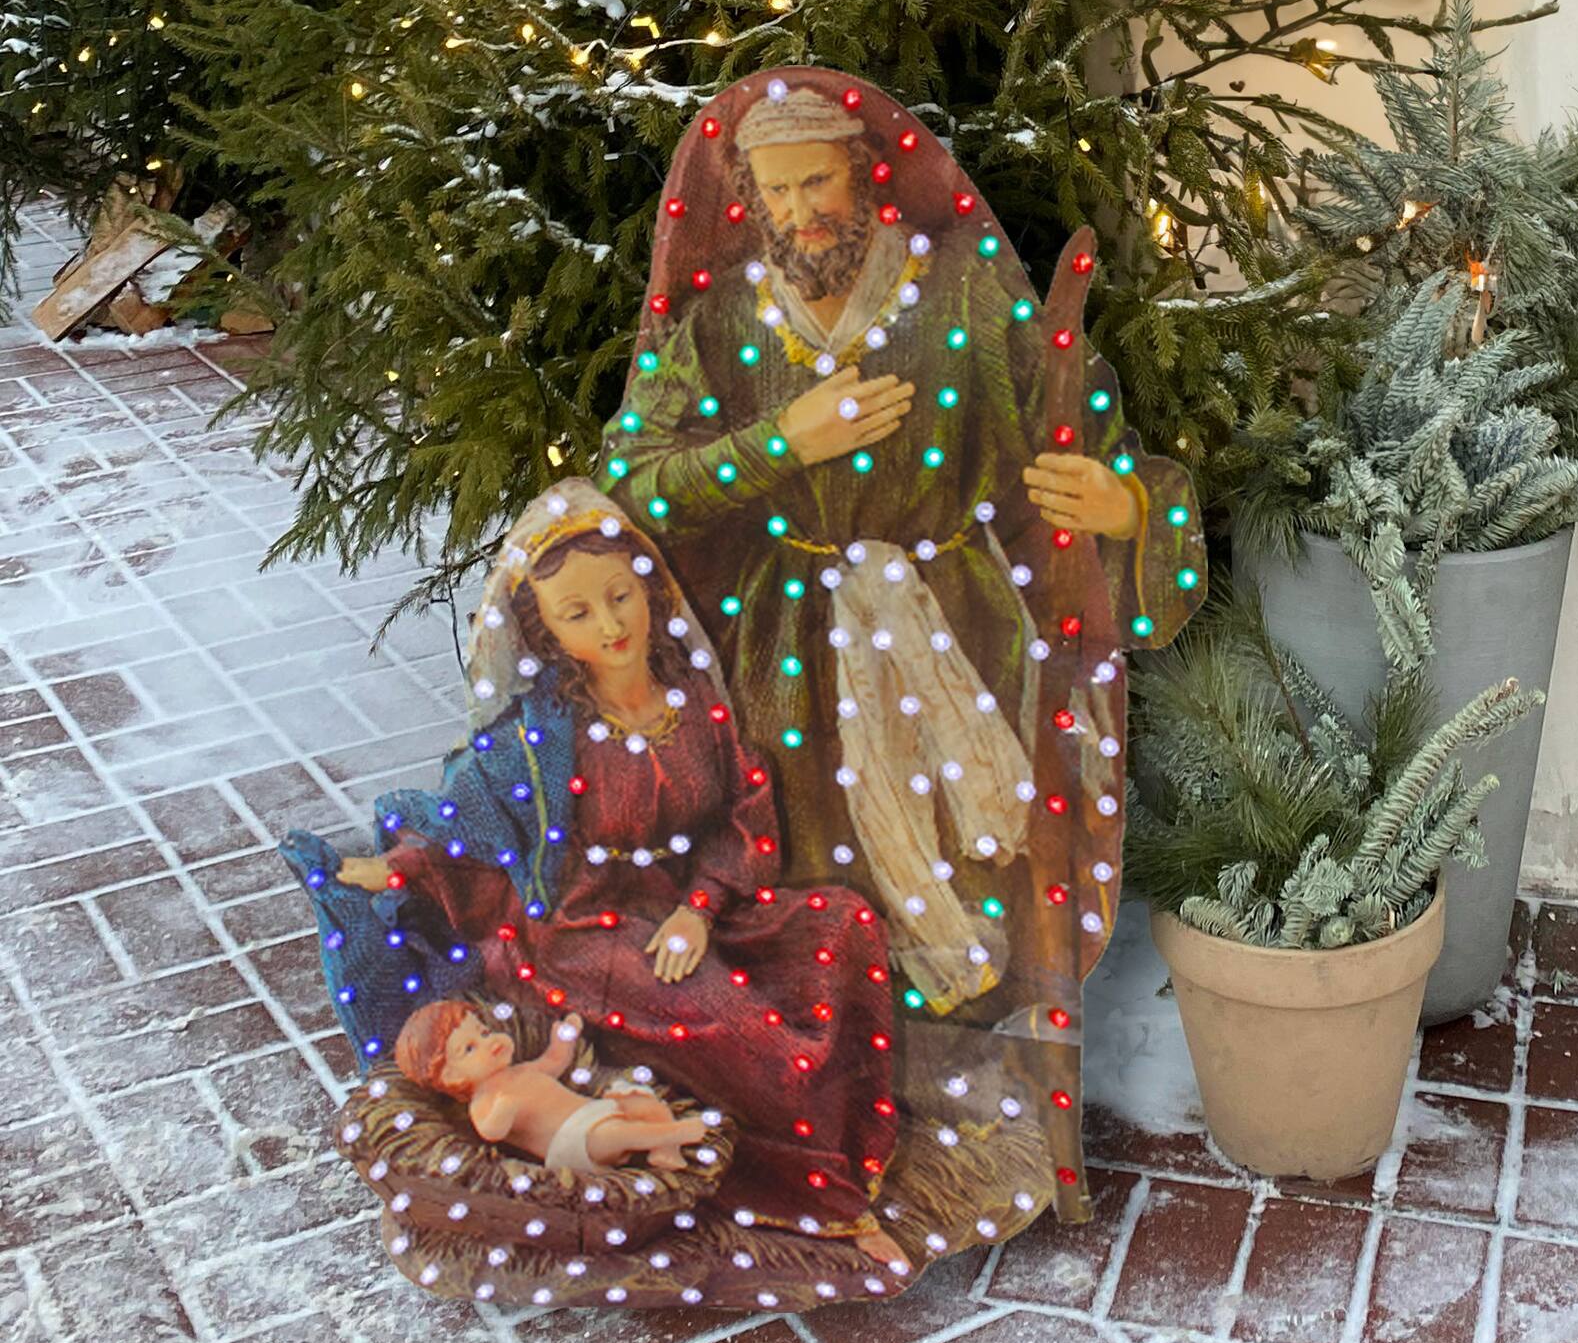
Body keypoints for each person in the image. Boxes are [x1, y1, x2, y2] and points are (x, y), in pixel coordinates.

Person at [601, 69, 1208, 1032]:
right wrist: (780, 444)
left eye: (817, 182)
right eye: (777, 192)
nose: (799, 213)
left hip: (959, 620)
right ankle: (847, 1058)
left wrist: (1126, 507)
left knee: (982, 852)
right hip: (789, 648)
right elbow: (631, 489)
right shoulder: (721, 324)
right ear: (751, 197)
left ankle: (978, 1055)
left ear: (863, 173)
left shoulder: (961, 292)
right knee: (815, 863)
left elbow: (1082, 428)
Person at [280, 479, 902, 1260]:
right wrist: (384, 871)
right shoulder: (543, 739)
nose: (610, 626)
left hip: (690, 906)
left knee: (840, 926)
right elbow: (470, 825)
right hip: (584, 931)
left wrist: (700, 908)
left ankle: (852, 1145)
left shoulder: (694, 699)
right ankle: (818, 1196)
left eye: (619, 597)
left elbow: (743, 814)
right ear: (546, 631)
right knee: (745, 1029)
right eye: (577, 613)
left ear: (648, 591)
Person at [394, 998, 709, 1175]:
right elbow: (491, 1131)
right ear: (451, 1077)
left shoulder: (520, 1072)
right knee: (612, 1135)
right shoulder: (485, 1100)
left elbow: (554, 1062)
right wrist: (504, 1110)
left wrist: (563, 1040)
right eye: (470, 1048)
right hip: (572, 1143)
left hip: (593, 1111)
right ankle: (670, 1134)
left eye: (485, 1032)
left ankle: (665, 1151)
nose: (489, 1042)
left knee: (642, 1102)